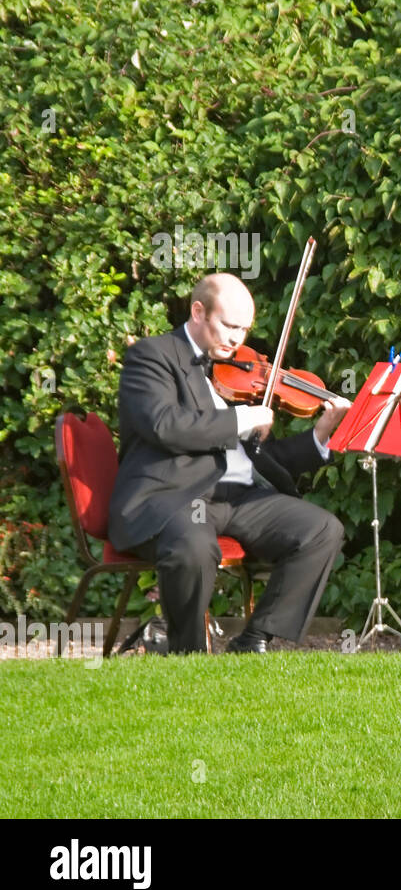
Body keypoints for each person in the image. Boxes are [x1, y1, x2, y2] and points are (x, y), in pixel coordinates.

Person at [108, 273, 348, 654]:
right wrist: (242, 420)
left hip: (240, 498)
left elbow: (268, 459)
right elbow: (164, 425)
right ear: (198, 311)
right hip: (177, 497)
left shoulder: (237, 371)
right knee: (192, 545)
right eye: (230, 325)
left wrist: (321, 435)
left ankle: (254, 640)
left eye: (245, 329)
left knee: (320, 529)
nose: (238, 339)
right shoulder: (152, 356)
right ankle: (186, 652)